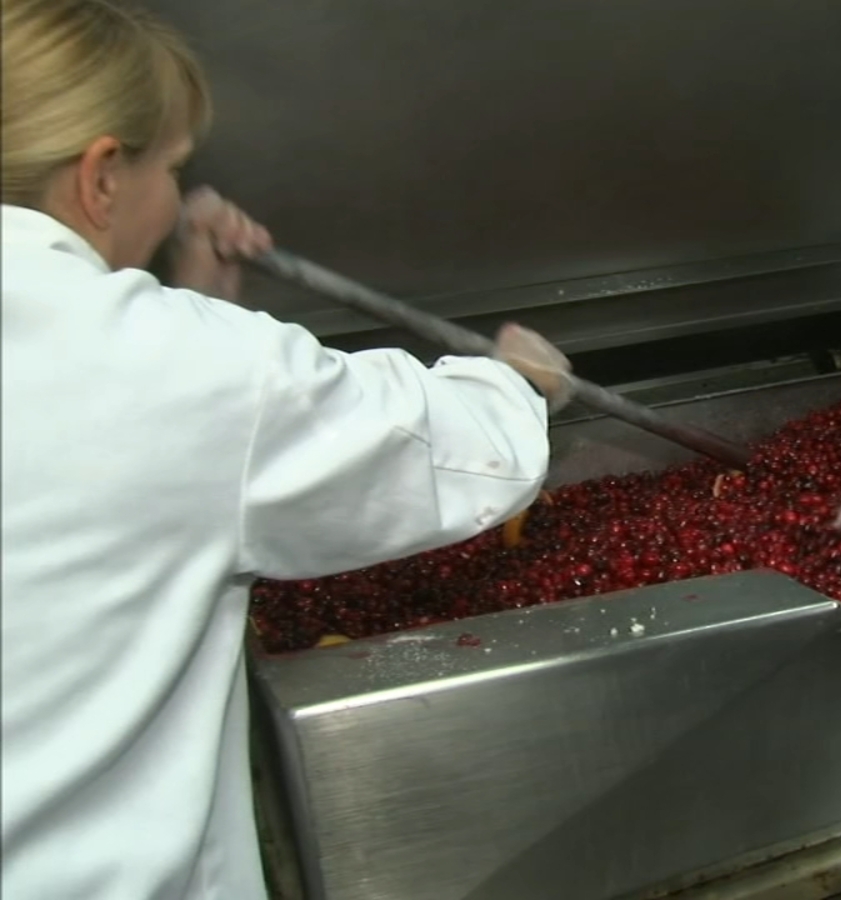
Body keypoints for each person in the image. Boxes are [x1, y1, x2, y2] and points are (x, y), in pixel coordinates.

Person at [0, 0, 577, 897]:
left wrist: (199, 304)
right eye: (174, 169)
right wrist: (514, 381)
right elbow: (454, 457)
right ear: (102, 176)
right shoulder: (163, 366)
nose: (182, 197)